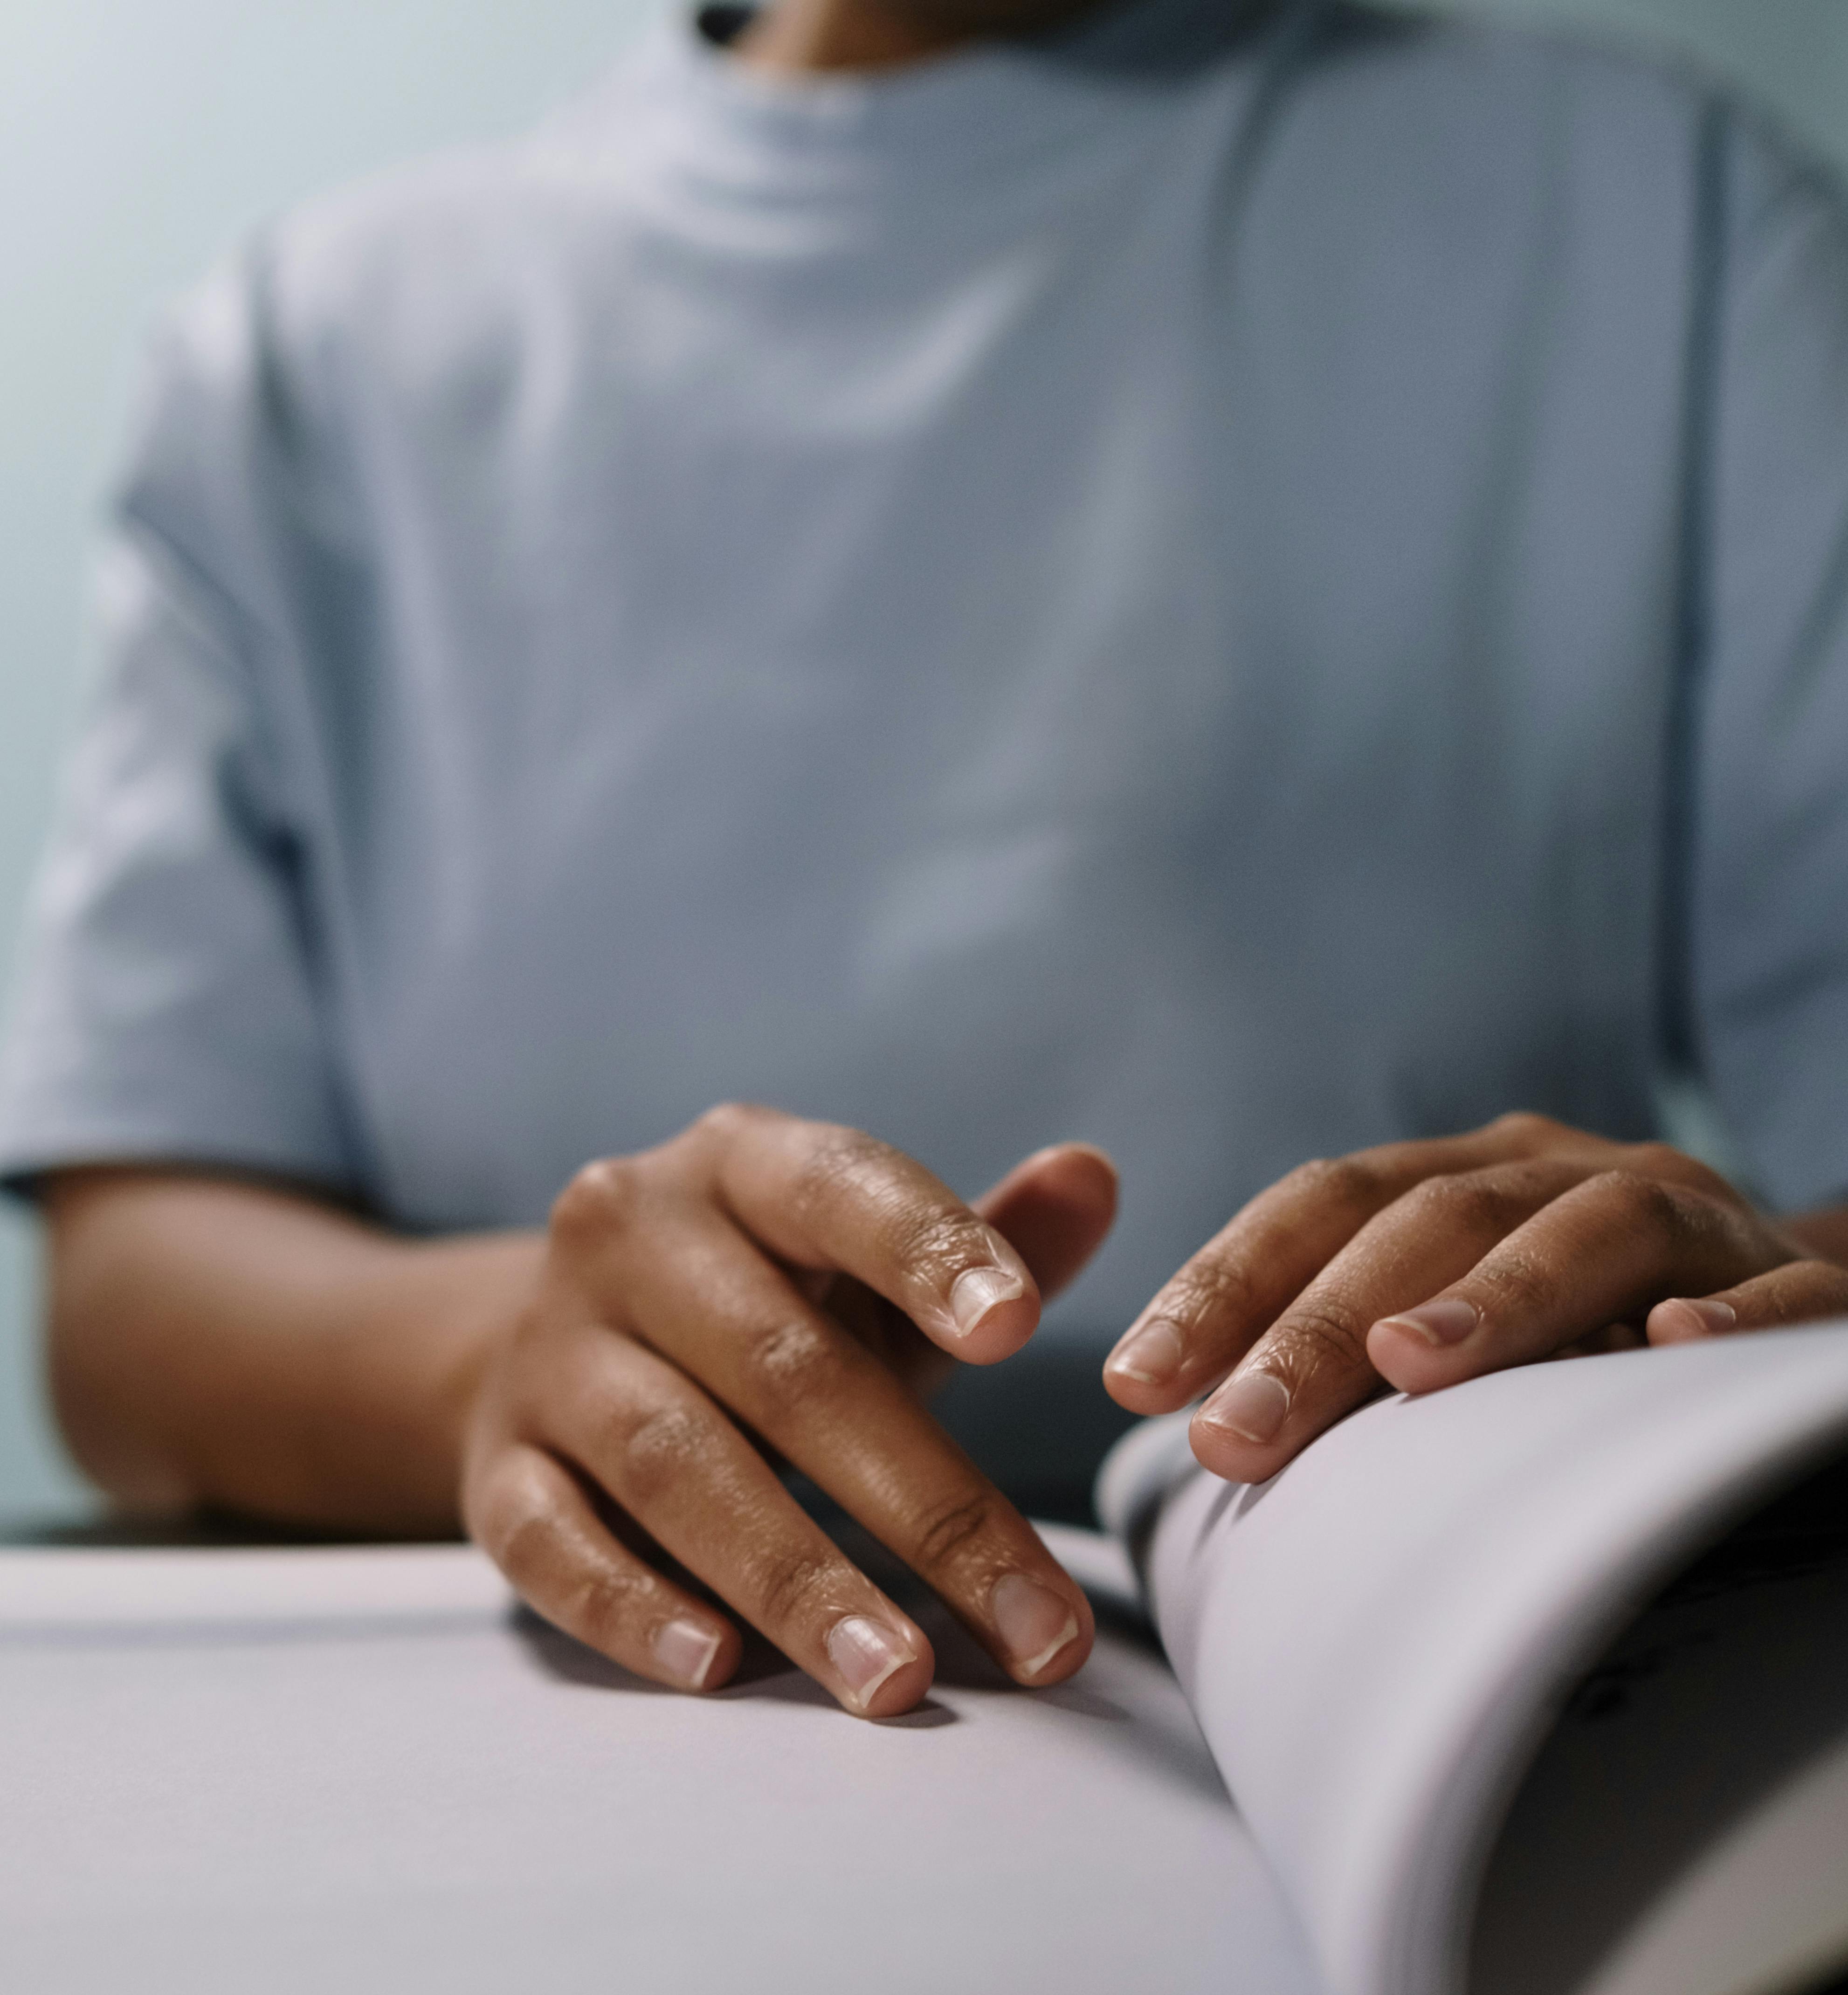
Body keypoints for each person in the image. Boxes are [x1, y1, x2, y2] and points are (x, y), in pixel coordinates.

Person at [3, 0, 1847, 1719]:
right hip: (556, 1719)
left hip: (1451, 1684)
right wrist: (503, 1359)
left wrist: (1714, 1294)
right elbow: (130, 1300)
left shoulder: (1664, 227)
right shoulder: (308, 353)